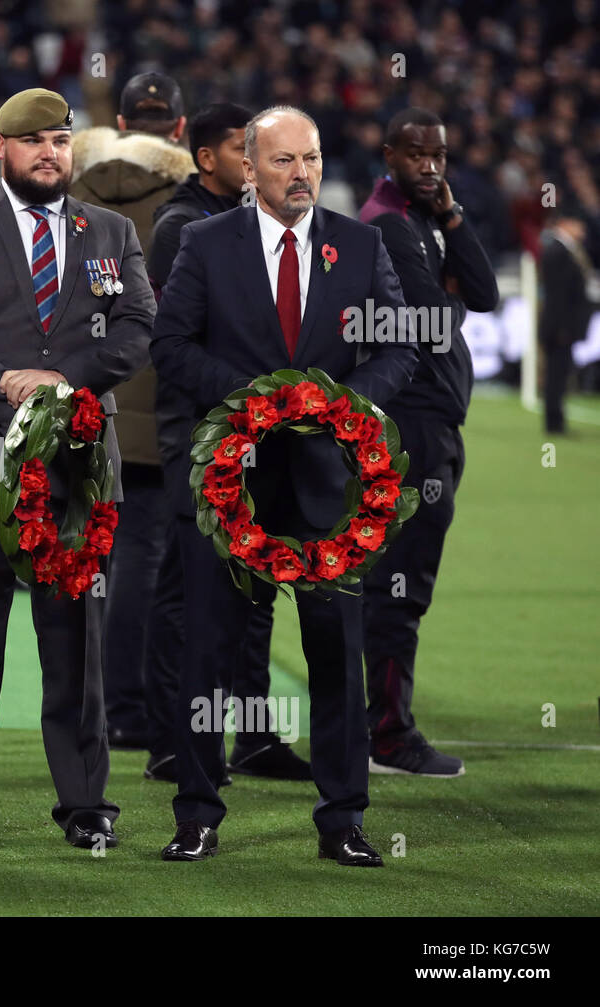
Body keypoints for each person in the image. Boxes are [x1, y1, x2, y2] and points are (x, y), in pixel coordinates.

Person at [151, 106, 417, 866]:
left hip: (330, 488)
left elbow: (397, 347)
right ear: (247, 166)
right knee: (207, 648)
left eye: (312, 159)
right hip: (229, 483)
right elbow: (169, 347)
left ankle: (343, 818)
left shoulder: (360, 246)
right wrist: (256, 401)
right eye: (282, 161)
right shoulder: (205, 244)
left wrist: (345, 407)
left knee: (336, 649)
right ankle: (197, 811)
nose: (301, 173)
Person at [0, 88, 154, 849]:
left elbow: (138, 324)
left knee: (75, 635)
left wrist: (61, 381)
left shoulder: (110, 229)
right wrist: (7, 383)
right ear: (1, 148)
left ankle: (85, 804)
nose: (51, 152)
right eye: (34, 141)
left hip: (78, 463)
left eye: (60, 139)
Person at [145, 101, 311, 784]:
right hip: (204, 442)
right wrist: (253, 389)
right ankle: (170, 741)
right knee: (190, 597)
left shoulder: (256, 229)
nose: (257, 164)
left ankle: (255, 733)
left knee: (256, 589)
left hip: (261, 445)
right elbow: (174, 346)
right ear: (208, 157)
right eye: (245, 152)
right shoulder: (186, 230)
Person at [359, 108, 499, 777]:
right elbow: (430, 319)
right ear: (390, 155)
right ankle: (386, 735)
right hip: (409, 423)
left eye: (438, 155)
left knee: (405, 580)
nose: (430, 166)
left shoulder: (422, 220)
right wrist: (444, 296)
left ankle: (383, 726)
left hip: (436, 423)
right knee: (398, 581)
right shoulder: (384, 222)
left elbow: (485, 295)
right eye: (416, 155)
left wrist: (453, 220)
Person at [69, 71, 194, 752]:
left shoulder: (70, 192)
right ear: (179, 128)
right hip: (159, 405)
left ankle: (96, 708)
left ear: (120, 124)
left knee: (94, 561)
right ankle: (129, 707)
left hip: (82, 398)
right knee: (148, 560)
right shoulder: (185, 204)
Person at [537, 212, 594, 435]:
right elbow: (558, 294)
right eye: (578, 224)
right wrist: (562, 328)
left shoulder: (564, 250)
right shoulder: (558, 251)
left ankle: (557, 421)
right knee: (556, 376)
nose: (583, 230)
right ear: (565, 223)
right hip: (559, 327)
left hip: (563, 326)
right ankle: (554, 424)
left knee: (560, 375)